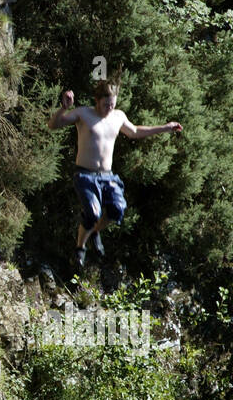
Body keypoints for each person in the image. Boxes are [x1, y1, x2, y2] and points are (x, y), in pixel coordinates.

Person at [48, 78, 183, 268]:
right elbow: (53, 125)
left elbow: (135, 131)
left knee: (117, 209)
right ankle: (80, 248)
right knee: (93, 213)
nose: (109, 108)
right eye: (105, 104)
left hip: (108, 176)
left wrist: (165, 127)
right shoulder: (83, 114)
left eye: (112, 104)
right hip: (85, 175)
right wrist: (63, 108)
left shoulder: (118, 116)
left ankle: (96, 232)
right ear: (97, 100)